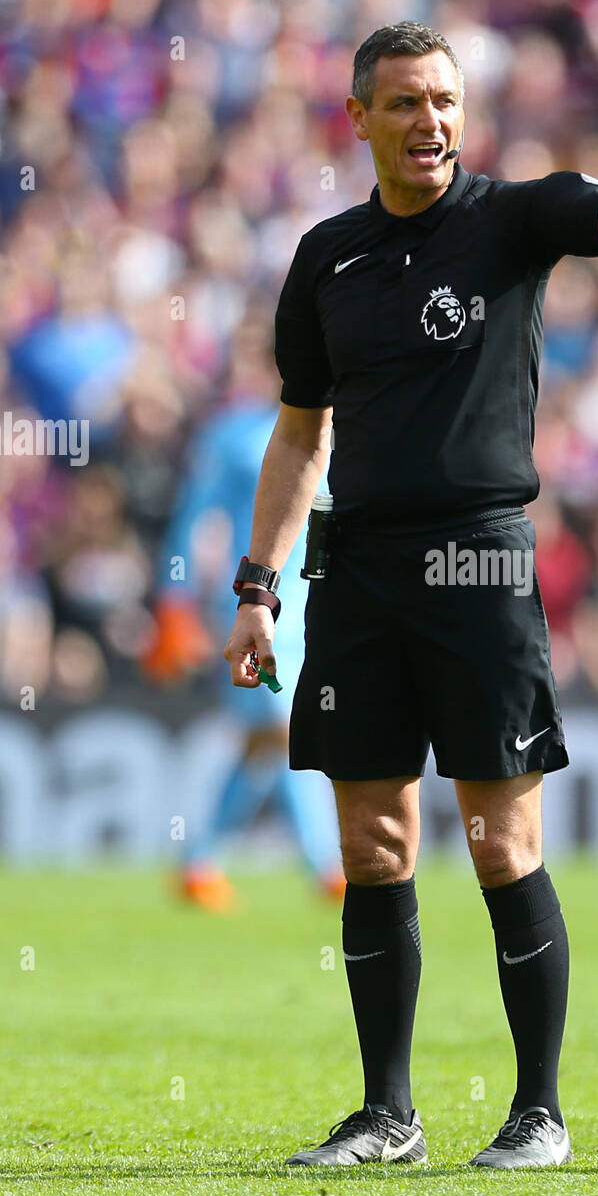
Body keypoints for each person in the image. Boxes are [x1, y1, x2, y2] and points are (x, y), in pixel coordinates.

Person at [222, 21, 598, 1168]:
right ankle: (386, 1114)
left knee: (501, 841)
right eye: (402, 103)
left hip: (481, 562)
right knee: (374, 844)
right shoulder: (326, 257)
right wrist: (259, 584)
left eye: (443, 99)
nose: (429, 121)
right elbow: (301, 433)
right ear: (358, 118)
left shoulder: (511, 220)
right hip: (356, 570)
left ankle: (538, 1112)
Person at [146, 374, 344, 911]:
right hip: (254, 605)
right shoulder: (234, 434)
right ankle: (326, 867)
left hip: (312, 608)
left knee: (266, 739)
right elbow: (193, 518)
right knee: (280, 729)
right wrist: (175, 599)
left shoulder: (339, 431)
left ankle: (198, 865)